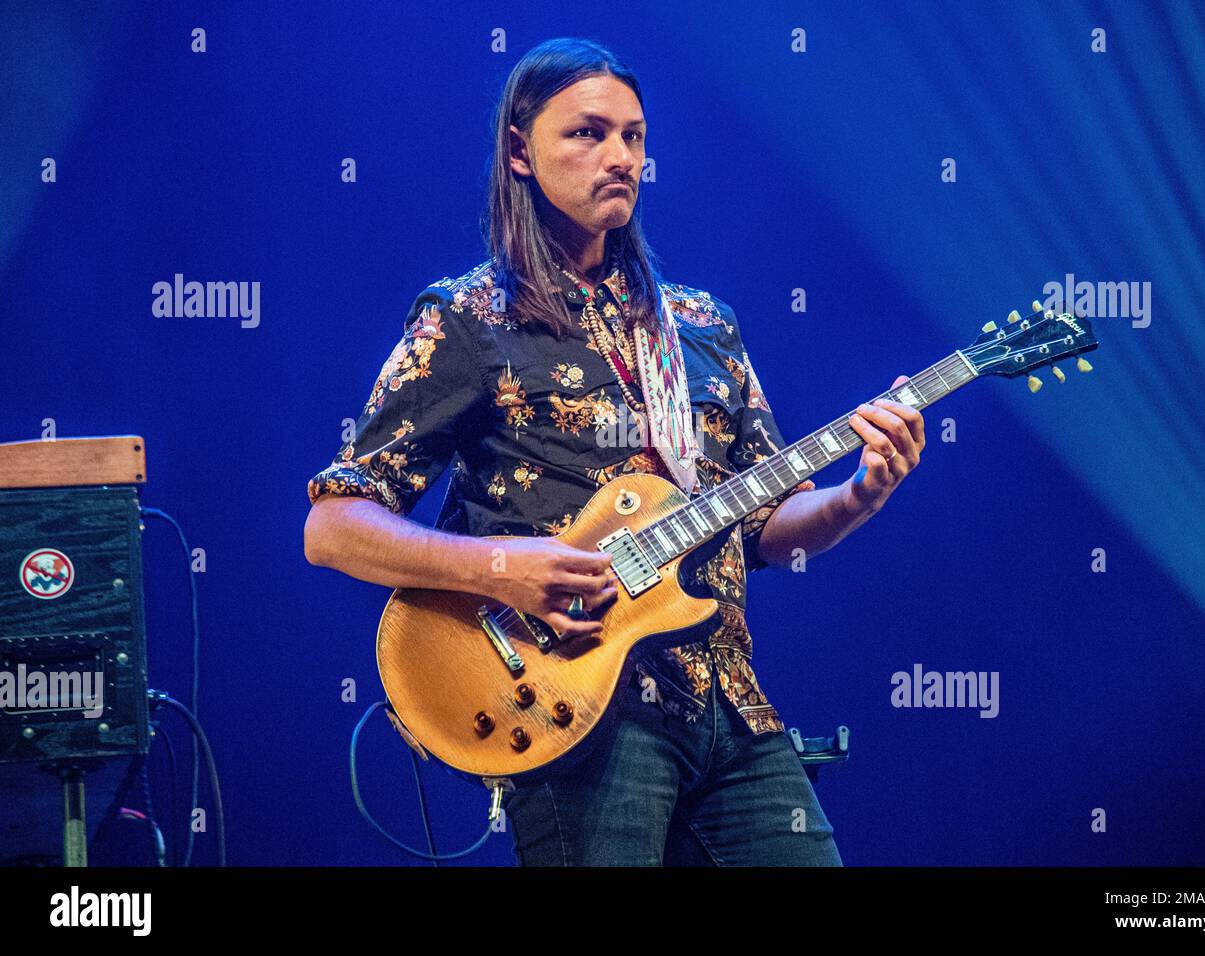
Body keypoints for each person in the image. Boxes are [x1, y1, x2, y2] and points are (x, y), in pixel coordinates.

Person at [303, 37, 925, 866]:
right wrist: (503, 569)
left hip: (730, 705)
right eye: (588, 134)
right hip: (573, 703)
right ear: (519, 152)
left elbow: (766, 525)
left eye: (633, 137)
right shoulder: (468, 318)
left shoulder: (703, 326)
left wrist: (857, 497)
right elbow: (334, 527)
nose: (620, 157)